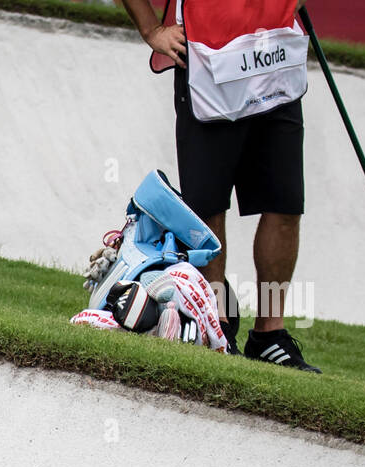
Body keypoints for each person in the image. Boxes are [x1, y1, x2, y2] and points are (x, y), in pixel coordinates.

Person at [120, 0, 320, 372]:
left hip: (275, 63)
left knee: (285, 205)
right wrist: (151, 30)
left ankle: (269, 336)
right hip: (209, 65)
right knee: (208, 208)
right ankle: (217, 325)